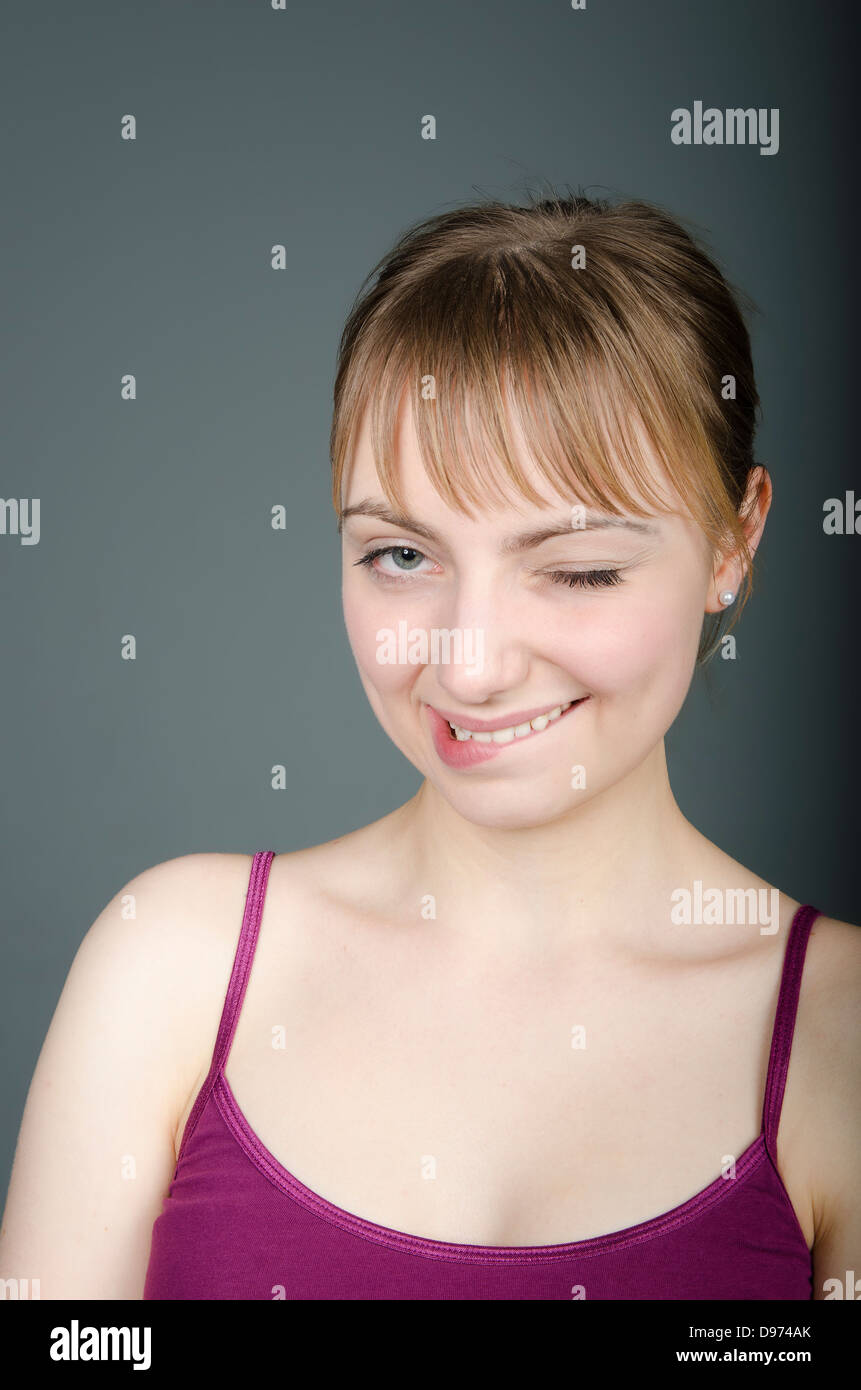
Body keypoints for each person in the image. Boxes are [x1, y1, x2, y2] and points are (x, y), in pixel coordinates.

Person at [1, 191, 858, 1300]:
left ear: (736, 540)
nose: (469, 663)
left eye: (580, 567)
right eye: (403, 555)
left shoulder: (841, 1036)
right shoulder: (168, 966)